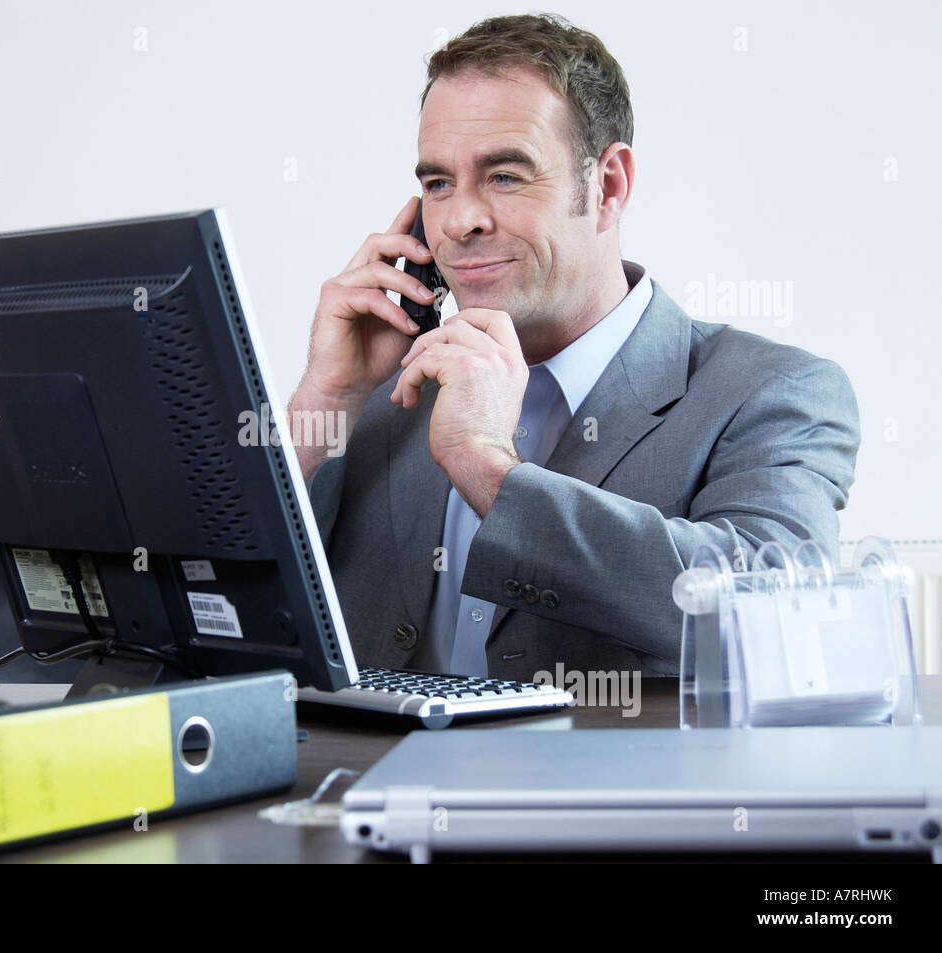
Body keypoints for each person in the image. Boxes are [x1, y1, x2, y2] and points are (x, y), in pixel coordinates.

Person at [286, 13, 859, 680]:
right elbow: (221, 615)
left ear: (608, 186)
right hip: (355, 781)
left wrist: (488, 468)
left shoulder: (774, 393)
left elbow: (767, 625)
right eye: (437, 183)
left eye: (504, 175)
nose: (460, 219)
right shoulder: (383, 393)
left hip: (604, 786)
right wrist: (324, 399)